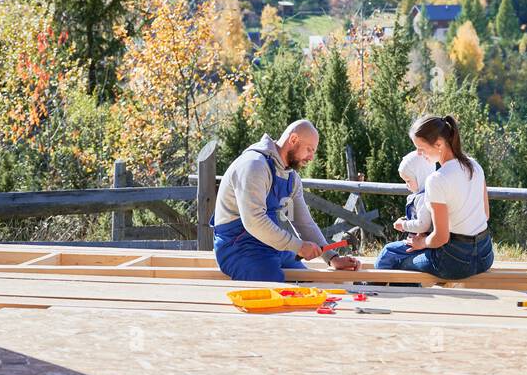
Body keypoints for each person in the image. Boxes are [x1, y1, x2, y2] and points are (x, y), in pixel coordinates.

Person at [211, 120, 362, 282]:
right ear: (294, 139)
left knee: (307, 283)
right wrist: (298, 246)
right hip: (237, 249)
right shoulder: (254, 165)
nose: (311, 157)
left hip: (271, 246)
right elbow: (254, 221)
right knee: (274, 290)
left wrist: (332, 258)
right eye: (309, 149)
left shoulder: (291, 177)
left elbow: (304, 224)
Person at [374, 114, 493, 280]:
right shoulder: (474, 165)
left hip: (455, 262)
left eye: (421, 149)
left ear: (439, 144)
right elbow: (485, 215)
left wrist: (420, 243)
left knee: (394, 258)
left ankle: (382, 298)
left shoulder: (437, 179)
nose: (419, 154)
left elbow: (441, 237)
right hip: (485, 255)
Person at [374, 152, 433, 269]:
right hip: (420, 242)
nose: (407, 185)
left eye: (408, 181)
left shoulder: (423, 197)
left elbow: (423, 225)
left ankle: (375, 283)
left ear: (420, 176)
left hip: (422, 243)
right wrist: (406, 219)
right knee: (399, 260)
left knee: (388, 251)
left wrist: (404, 225)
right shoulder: (423, 195)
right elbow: (423, 218)